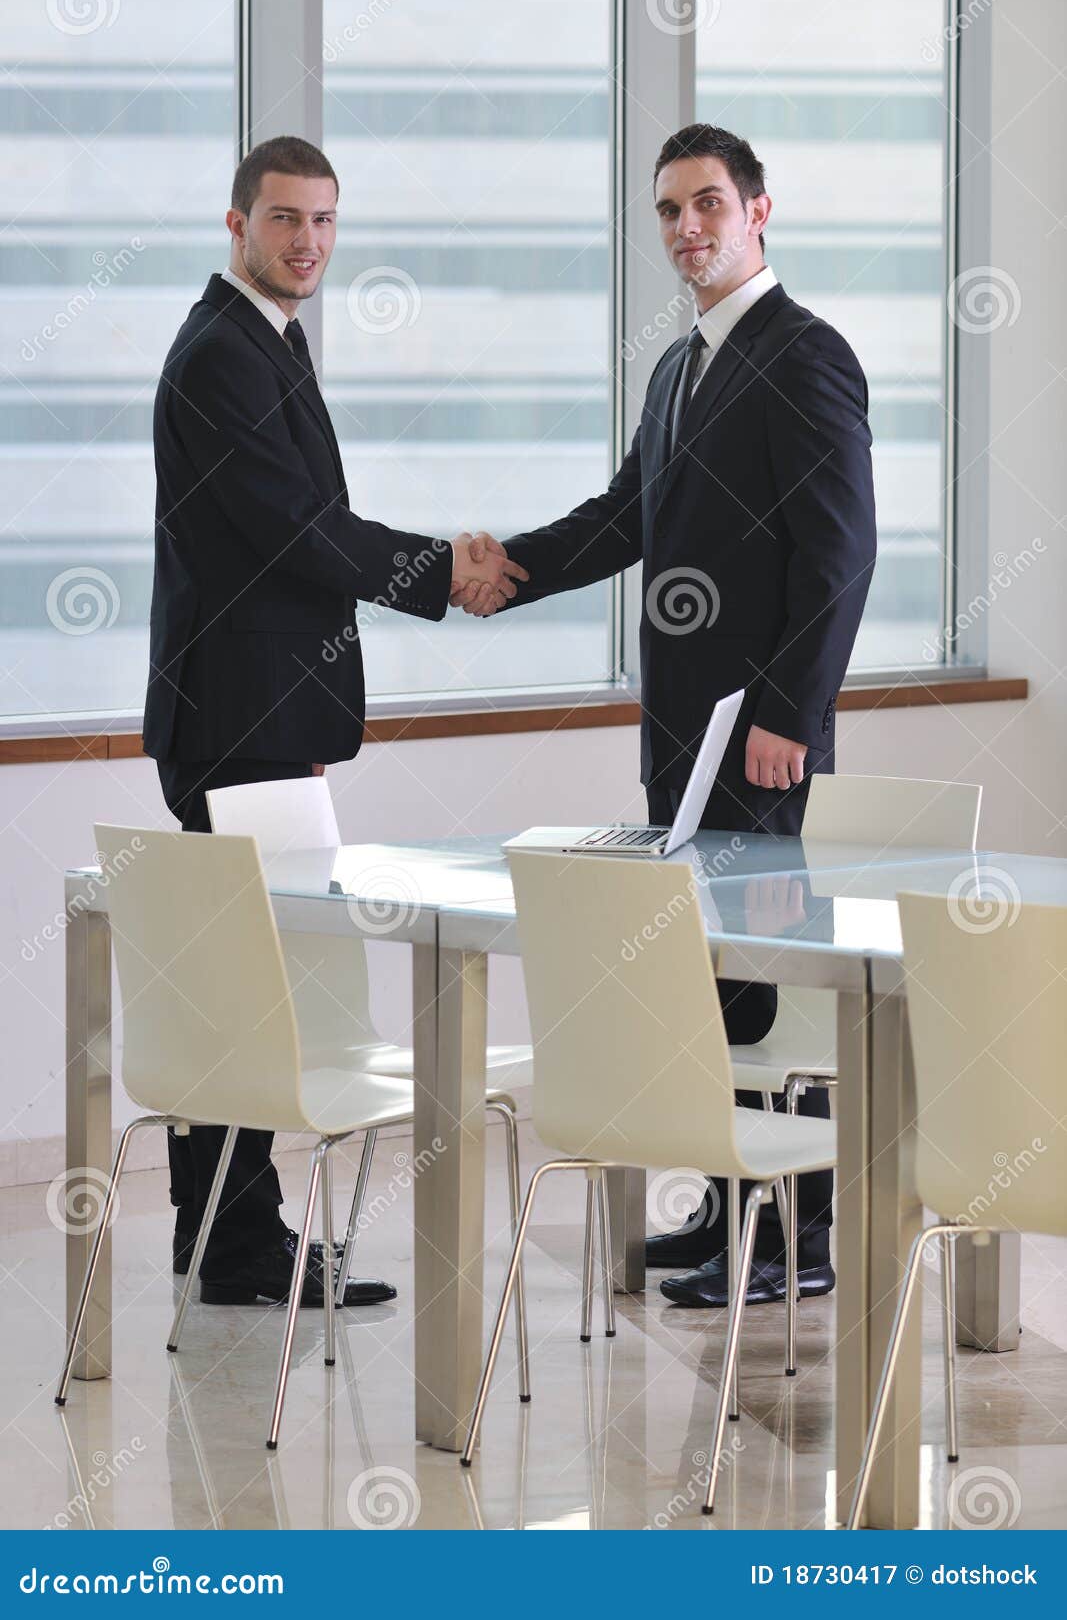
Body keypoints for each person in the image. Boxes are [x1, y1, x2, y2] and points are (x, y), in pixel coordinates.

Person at [453, 123, 877, 1308]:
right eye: (667, 210)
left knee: (768, 976)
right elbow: (621, 517)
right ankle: (731, 1204)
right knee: (712, 982)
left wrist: (789, 707)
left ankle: (796, 1234)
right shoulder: (678, 366)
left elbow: (841, 553)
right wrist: (499, 573)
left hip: (762, 736)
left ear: (756, 211)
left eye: (707, 204)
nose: (686, 227)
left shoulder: (804, 353)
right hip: (682, 736)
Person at [143, 134, 526, 1309]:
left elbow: (298, 530)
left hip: (257, 712)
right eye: (283, 219)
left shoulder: (264, 339)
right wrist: (442, 569)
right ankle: (238, 1247)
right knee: (247, 991)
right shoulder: (222, 353)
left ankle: (223, 1238)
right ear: (236, 224)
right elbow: (295, 532)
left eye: (322, 221)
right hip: (235, 719)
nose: (306, 242)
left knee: (242, 983)